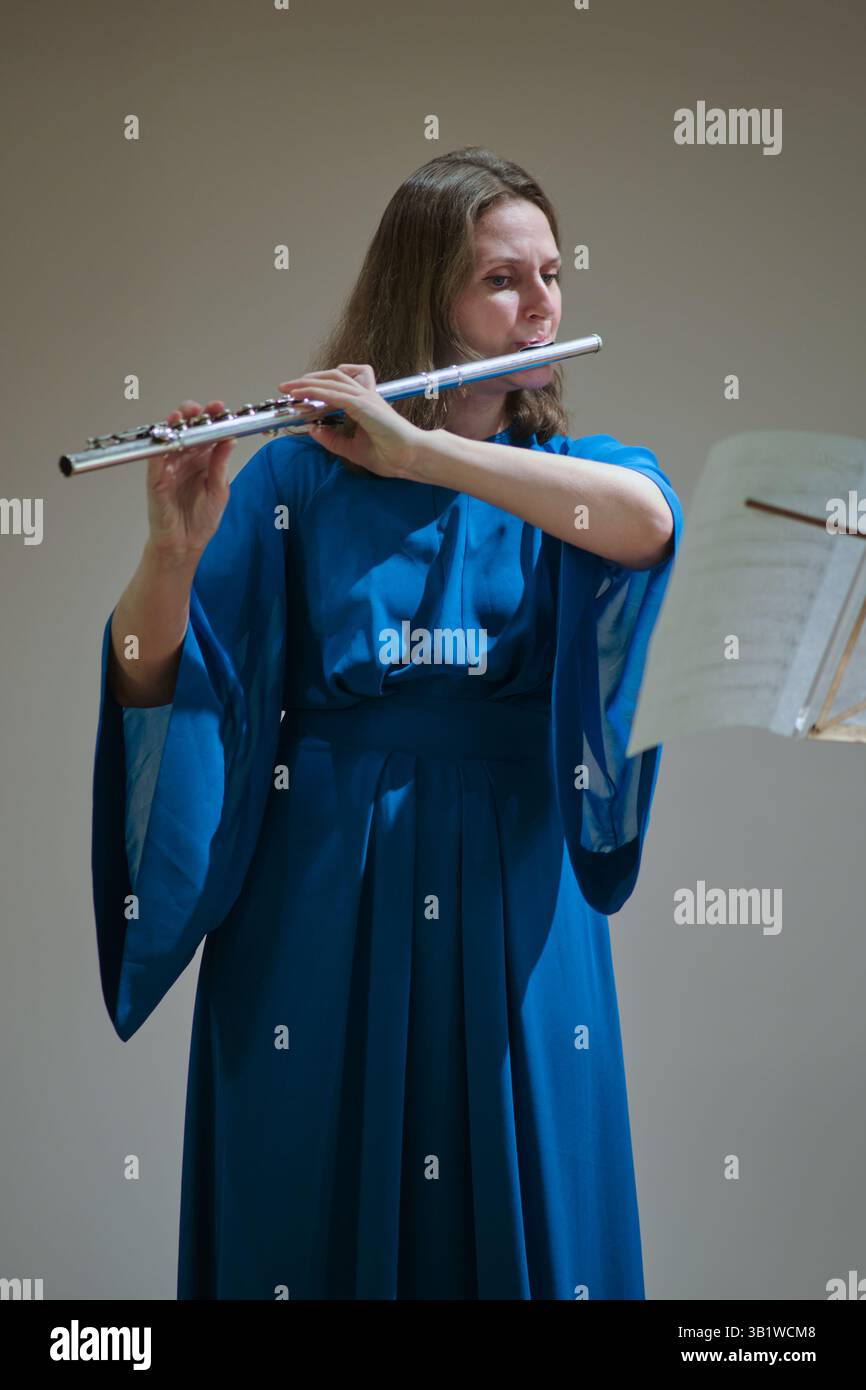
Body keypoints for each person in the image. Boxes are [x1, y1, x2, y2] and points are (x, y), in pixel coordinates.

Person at [93, 146, 683, 1300]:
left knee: (520, 1203)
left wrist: (422, 452)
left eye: (551, 275)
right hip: (321, 894)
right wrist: (171, 548)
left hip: (514, 901)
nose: (541, 303)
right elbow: (156, 671)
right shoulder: (293, 484)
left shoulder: (567, 475)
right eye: (501, 279)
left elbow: (648, 523)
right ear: (429, 294)